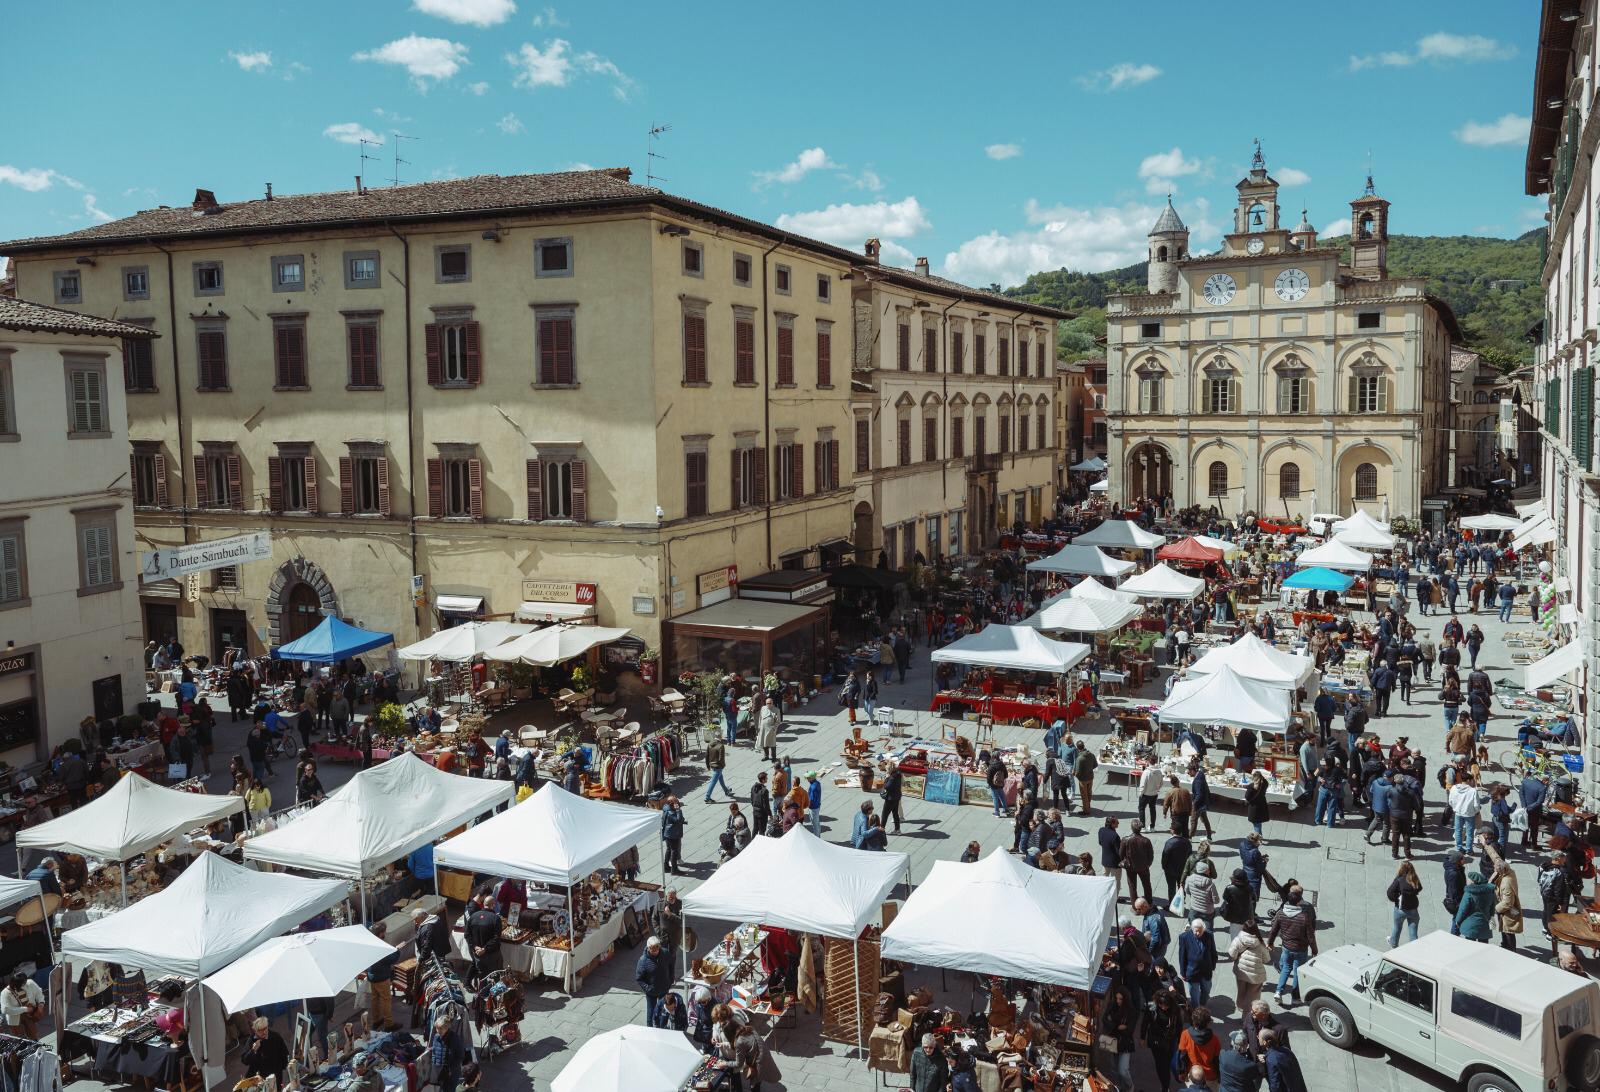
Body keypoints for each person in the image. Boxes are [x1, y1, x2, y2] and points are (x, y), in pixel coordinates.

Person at [1268, 884, 1317, 1007]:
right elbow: (1311, 935)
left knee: (1285, 968)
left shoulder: (1281, 913)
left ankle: (1278, 992)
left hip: (1286, 946)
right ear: (1299, 901)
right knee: (1297, 972)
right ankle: (1295, 997)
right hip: (1300, 948)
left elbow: (1273, 930)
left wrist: (1270, 943)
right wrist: (1314, 950)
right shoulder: (1304, 917)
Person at [1143, 981, 1187, 1092]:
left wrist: (1180, 1040)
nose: (1163, 1007)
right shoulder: (1152, 1008)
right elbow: (1145, 1023)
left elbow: (1179, 1026)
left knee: (1169, 1062)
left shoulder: (1175, 1009)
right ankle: (1165, 1086)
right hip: (1156, 1040)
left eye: (1166, 1005)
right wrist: (1142, 1037)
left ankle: (1166, 1082)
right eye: (1161, 1005)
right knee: (1160, 1064)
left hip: (1170, 1040)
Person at [1101, 979, 1138, 1092]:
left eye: (1120, 999)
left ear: (1125, 999)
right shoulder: (1112, 1004)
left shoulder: (1131, 1011)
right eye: (1117, 998)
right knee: (1114, 1069)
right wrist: (1118, 1026)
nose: (1118, 1001)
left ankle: (1129, 1086)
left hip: (1124, 1042)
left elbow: (1129, 1031)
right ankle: (1119, 1087)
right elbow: (1104, 1019)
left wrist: (1112, 1023)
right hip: (1112, 1040)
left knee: (1123, 1070)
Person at [1230, 919, 1270, 1015]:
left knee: (1241, 992)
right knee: (1253, 997)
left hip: (1241, 972)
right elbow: (1267, 959)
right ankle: (1248, 1015)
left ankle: (1241, 1007)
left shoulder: (1238, 939)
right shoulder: (1260, 943)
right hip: (1256, 975)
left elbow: (1232, 954)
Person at [1176, 1006, 1221, 1087]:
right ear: (1208, 1023)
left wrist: (1181, 1072)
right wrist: (1219, 1076)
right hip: (1210, 1077)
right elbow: (1217, 1060)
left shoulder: (1185, 1034)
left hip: (1193, 1075)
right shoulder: (1215, 1039)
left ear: (1193, 1021)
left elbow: (1182, 1056)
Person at [366, 922, 399, 1030]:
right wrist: (397, 950)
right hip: (381, 977)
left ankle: (376, 1020)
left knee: (375, 999)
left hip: (372, 975)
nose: (385, 933)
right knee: (385, 1000)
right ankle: (389, 1024)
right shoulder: (379, 945)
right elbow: (390, 960)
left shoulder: (369, 942)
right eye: (384, 931)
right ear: (380, 933)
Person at [1177, 920, 1217, 1007]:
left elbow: (1213, 952)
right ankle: (1196, 1010)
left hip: (1206, 971)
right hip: (1192, 972)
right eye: (1196, 931)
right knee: (1194, 995)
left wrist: (1212, 966)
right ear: (1192, 929)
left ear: (1204, 929)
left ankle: (1203, 1003)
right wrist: (1183, 972)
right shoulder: (1184, 937)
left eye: (1200, 931)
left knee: (1206, 990)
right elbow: (1182, 956)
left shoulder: (1209, 935)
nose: (1198, 933)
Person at [242, 1016, 290, 1084]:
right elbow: (245, 1061)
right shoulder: (251, 1040)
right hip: (258, 1077)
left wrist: (285, 1068)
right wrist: (253, 1050)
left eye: (265, 1028)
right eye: (260, 1030)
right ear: (255, 1031)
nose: (264, 1032)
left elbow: (285, 1053)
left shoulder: (275, 1036)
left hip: (275, 1074)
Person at [635, 936, 672, 1024]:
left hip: (664, 988)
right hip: (652, 992)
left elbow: (671, 966)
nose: (655, 952)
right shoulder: (643, 961)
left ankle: (662, 1026)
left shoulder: (665, 953)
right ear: (648, 948)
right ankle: (650, 1028)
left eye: (657, 949)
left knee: (664, 1010)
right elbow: (639, 978)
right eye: (653, 950)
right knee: (651, 1012)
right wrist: (648, 988)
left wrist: (670, 980)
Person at [1453, 871, 1496, 943]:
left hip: (1471, 925)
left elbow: (1463, 909)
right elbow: (1492, 909)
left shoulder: (1469, 893)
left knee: (1470, 947)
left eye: (1469, 879)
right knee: (1483, 948)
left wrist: (1457, 921)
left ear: (1473, 881)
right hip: (1484, 924)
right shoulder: (1490, 892)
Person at [1386, 860, 1422, 947]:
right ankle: (1414, 949)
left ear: (1401, 869)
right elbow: (1420, 888)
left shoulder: (1399, 880)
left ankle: (1393, 943)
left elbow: (1390, 892)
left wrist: (1396, 899)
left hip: (1400, 909)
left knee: (1397, 927)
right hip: (1413, 910)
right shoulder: (1414, 879)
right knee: (1413, 933)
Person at [1121, 819, 1155, 904]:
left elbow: (1121, 854)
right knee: (1147, 885)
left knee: (1132, 886)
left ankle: (1135, 905)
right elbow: (1150, 856)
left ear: (1132, 828)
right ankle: (1149, 903)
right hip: (1143, 867)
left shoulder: (1126, 839)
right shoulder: (1146, 840)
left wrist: (1125, 861)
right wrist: (1147, 864)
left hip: (1130, 866)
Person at [429, 1014, 464, 1092]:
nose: (438, 1031)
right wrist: (435, 1067)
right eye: (437, 1028)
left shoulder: (455, 1039)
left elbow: (460, 1056)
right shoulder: (436, 1037)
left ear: (447, 1028)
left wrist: (451, 1070)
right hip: (439, 1071)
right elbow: (435, 1052)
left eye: (440, 1029)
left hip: (451, 1073)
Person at [1162, 828, 1192, 909]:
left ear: (1173, 831)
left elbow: (1165, 856)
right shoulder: (1187, 842)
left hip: (1170, 870)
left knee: (1171, 888)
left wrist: (1164, 866)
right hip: (1183, 869)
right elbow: (1190, 855)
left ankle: (1171, 905)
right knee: (1181, 886)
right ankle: (1181, 903)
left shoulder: (1169, 842)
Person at [1099, 817, 1124, 902]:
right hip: (1115, 863)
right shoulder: (1115, 836)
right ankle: (1115, 898)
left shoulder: (1101, 830)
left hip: (1105, 860)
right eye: (1116, 822)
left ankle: (1102, 894)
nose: (1118, 823)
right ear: (1112, 824)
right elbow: (1119, 851)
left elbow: (1100, 842)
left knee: (1104, 878)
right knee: (1116, 881)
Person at [1072, 739, 1099, 816]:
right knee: (1089, 792)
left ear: (1077, 748)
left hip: (1083, 779)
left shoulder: (1079, 758)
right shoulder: (1091, 754)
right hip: (1090, 777)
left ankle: (1086, 810)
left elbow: (1078, 772)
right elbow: (1095, 765)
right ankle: (1088, 806)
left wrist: (1075, 775)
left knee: (1084, 795)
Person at [704, 736, 733, 802]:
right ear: (720, 738)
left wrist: (708, 765)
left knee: (720, 778)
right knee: (713, 782)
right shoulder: (721, 746)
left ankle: (726, 790)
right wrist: (723, 766)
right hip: (718, 766)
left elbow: (707, 755)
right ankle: (707, 797)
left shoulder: (709, 744)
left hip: (712, 765)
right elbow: (721, 759)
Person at [661, 796, 685, 874]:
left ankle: (666, 867)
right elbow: (678, 820)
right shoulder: (671, 812)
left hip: (668, 833)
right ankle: (674, 870)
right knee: (674, 851)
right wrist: (678, 810)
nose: (677, 804)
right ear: (672, 804)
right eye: (676, 803)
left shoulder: (666, 808)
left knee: (668, 849)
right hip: (672, 834)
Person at [881, 762, 904, 834]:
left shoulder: (892, 778)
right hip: (897, 797)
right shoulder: (898, 774)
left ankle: (882, 829)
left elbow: (887, 786)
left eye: (887, 770)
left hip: (890, 798)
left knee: (884, 814)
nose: (886, 771)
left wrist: (886, 779)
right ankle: (897, 830)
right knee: (895, 813)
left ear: (889, 770)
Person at [805, 771, 823, 835]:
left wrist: (806, 804)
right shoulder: (817, 783)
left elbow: (811, 800)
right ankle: (818, 836)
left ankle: (817, 838)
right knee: (817, 823)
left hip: (813, 807)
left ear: (812, 778)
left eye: (808, 777)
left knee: (815, 824)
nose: (807, 779)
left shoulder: (813, 787)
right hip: (817, 805)